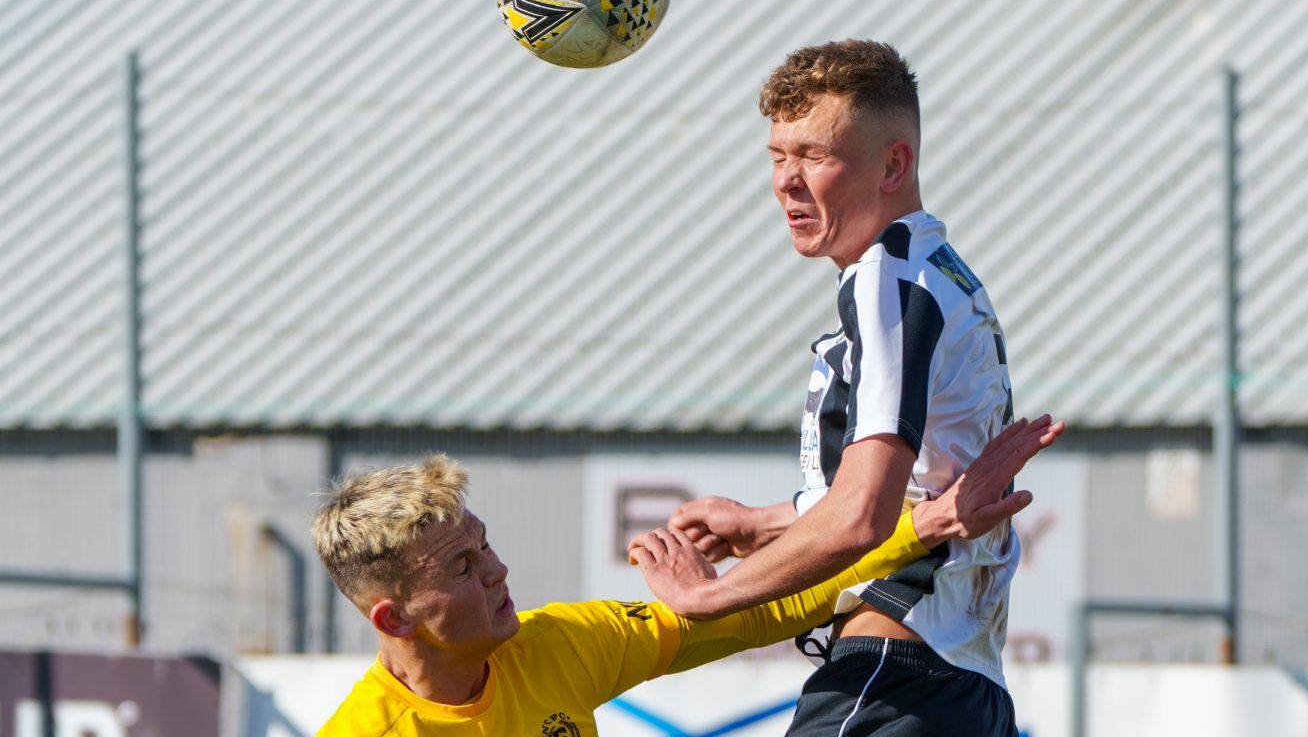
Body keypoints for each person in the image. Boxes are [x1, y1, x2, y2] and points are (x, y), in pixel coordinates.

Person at [641, 40, 1047, 736]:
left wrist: (714, 597)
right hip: (962, 686)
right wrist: (766, 521)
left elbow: (864, 513)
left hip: (894, 677)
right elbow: (922, 487)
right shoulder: (938, 269)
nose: (787, 181)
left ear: (895, 163)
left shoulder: (885, 278)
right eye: (777, 155)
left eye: (815, 156)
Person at [310, 418, 1061, 735]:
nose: (499, 569)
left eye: (486, 545)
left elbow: (757, 613)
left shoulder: (556, 645)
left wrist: (918, 526)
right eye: (465, 566)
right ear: (394, 619)